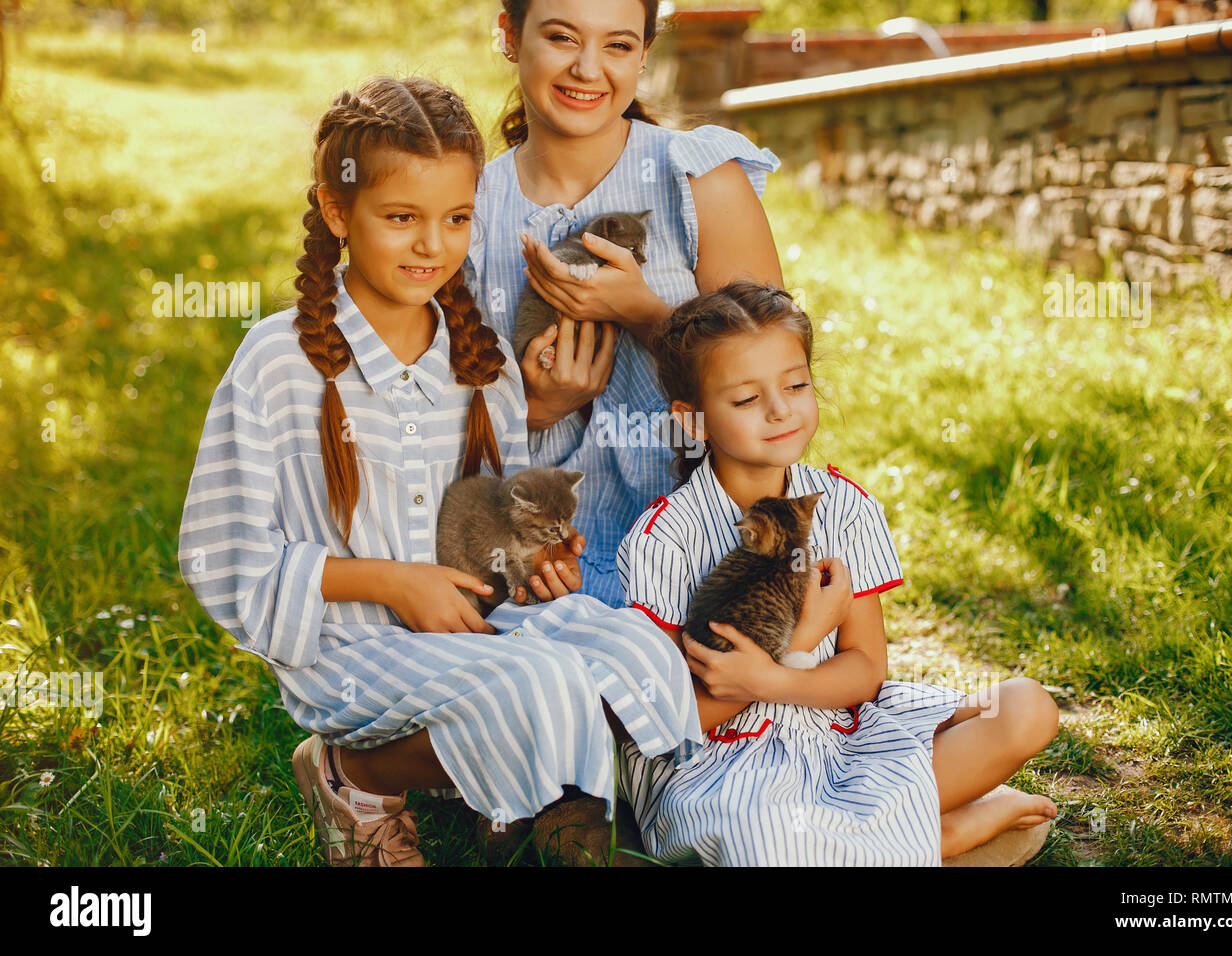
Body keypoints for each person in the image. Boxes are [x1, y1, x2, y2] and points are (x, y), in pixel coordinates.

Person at [177, 75, 701, 867]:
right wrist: (391, 581)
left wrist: (533, 563)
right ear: (334, 209)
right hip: (348, 651)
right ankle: (353, 775)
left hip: (475, 629)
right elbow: (221, 554)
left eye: (457, 219)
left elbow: (494, 522)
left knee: (636, 650)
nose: (433, 245)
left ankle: (541, 800)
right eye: (401, 218)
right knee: (533, 682)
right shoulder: (276, 363)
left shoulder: (479, 355)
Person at [615, 281, 1060, 865]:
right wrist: (796, 645)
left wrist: (777, 682)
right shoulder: (665, 537)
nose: (780, 410)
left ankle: (888, 825)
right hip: (716, 762)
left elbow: (866, 671)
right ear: (693, 421)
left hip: (834, 727)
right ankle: (940, 832)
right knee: (769, 835)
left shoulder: (844, 506)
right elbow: (668, 722)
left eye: (796, 386)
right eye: (746, 400)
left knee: (1026, 708)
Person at [466, 0, 784, 609]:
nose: (588, 69)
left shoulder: (698, 180)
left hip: (704, 551)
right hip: (534, 565)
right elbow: (411, 424)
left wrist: (644, 314)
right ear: (509, 34)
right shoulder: (465, 210)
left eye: (616, 45)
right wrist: (531, 410)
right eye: (562, 37)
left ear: (643, 52)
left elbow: (774, 392)